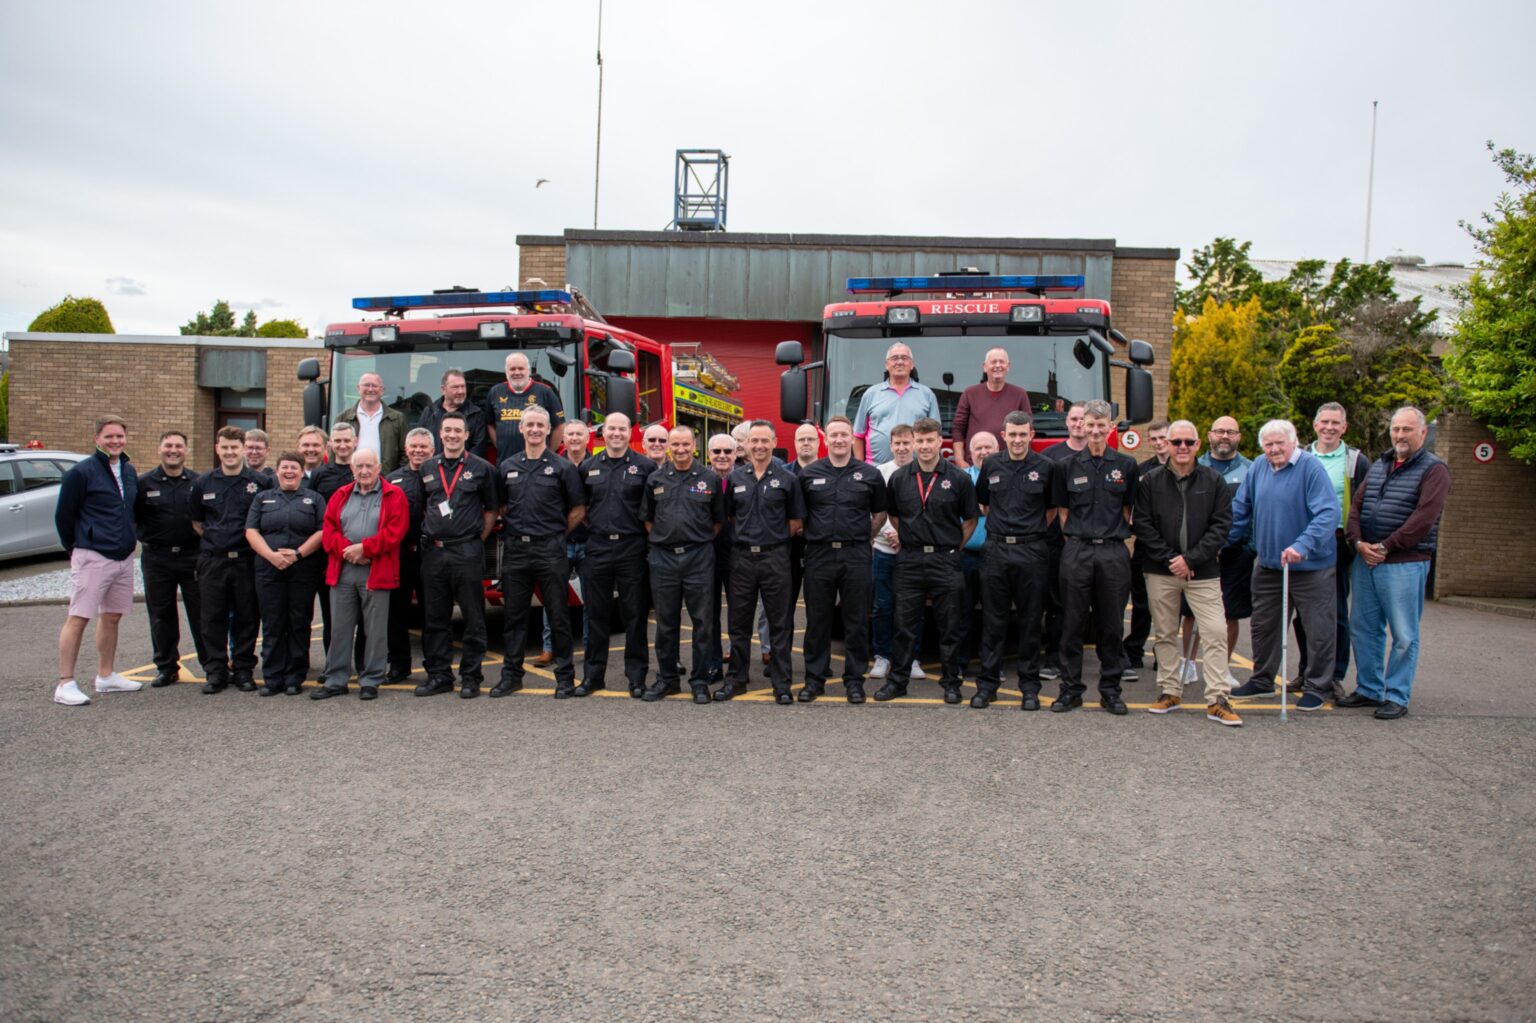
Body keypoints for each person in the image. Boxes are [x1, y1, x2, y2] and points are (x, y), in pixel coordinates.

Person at [1342, 406, 1450, 720]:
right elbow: (1356, 507)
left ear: (1423, 433)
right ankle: (1368, 689)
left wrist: (1386, 547)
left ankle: (1397, 695)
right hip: (1366, 561)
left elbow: (1424, 520)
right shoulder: (1381, 464)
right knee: (1363, 629)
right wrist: (1358, 543)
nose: (1400, 435)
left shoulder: (1434, 470)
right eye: (1396, 429)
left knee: (1403, 635)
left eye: (1407, 429)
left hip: (1404, 563)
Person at [1132, 421, 1242, 726]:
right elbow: (1142, 524)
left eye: (1188, 442)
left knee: (1216, 631)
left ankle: (1218, 698)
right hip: (1161, 570)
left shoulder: (1213, 480)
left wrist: (1191, 559)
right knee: (1165, 633)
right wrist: (1171, 559)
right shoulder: (1150, 481)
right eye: (1176, 442)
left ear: (1197, 445)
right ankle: (1170, 691)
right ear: (1166, 444)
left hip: (1202, 571)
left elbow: (1222, 524)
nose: (1182, 447)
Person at [1227, 419, 1339, 711]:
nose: (1274, 449)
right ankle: (1262, 680)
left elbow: (1328, 513)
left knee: (1318, 629)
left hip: (1310, 567)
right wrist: (1219, 542)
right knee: (1264, 627)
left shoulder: (1310, 468)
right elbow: (1240, 509)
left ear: (1294, 441)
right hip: (1268, 566)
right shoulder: (1259, 468)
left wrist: (1302, 545)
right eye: (1268, 444)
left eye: (1280, 443)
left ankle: (1317, 686)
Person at [876, 417, 978, 704]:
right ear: (914, 441)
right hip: (910, 559)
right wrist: (911, 539)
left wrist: (954, 547)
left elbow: (970, 519)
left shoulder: (958, 478)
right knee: (905, 625)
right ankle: (898, 682)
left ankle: (951, 683)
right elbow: (893, 516)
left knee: (950, 624)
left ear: (939, 442)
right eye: (919, 441)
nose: (924, 446)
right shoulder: (899, 478)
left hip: (946, 559)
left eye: (929, 440)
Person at [1050, 400, 1139, 715]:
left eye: (1102, 425)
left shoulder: (1127, 466)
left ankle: (1110, 691)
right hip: (1077, 550)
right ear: (1082, 427)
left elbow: (1128, 511)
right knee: (1072, 624)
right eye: (1091, 425)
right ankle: (1070, 690)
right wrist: (1079, 539)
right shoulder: (1066, 467)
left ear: (1111, 427)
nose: (1096, 430)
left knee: (1111, 625)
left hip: (1113, 551)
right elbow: (1063, 513)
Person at [491, 407, 585, 699]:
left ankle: (565, 678)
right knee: (514, 617)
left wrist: (555, 534)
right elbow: (503, 507)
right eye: (529, 424)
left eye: (540, 425)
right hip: (517, 550)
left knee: (558, 615)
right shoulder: (506, 466)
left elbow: (578, 509)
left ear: (548, 430)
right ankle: (511, 676)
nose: (534, 429)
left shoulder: (562, 468)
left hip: (550, 549)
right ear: (520, 429)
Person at [51, 415, 141, 706]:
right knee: (79, 617)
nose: (115, 441)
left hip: (123, 556)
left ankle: (106, 675)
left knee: (112, 616)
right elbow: (64, 516)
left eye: (119, 436)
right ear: (96, 439)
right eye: (109, 437)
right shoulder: (81, 473)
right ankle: (65, 683)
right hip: (93, 554)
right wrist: (77, 548)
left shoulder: (128, 470)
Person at [796, 415, 886, 704]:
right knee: (817, 619)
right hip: (819, 554)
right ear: (826, 439)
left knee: (856, 620)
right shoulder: (808, 475)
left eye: (843, 435)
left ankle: (854, 681)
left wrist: (865, 537)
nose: (838, 439)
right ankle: (814, 679)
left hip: (856, 553)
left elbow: (880, 514)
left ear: (851, 438)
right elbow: (799, 515)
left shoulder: (869, 474)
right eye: (833, 434)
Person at [972, 412, 1056, 710]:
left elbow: (1051, 510)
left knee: (1031, 621)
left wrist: (1028, 533)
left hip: (1032, 551)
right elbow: (984, 503)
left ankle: (1029, 687)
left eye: (1023, 434)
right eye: (1012, 434)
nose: (1018, 440)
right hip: (996, 550)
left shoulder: (1046, 467)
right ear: (1003, 435)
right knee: (993, 620)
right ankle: (987, 685)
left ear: (1031, 435)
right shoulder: (992, 464)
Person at [719, 420, 805, 704]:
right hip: (742, 558)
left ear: (773, 441)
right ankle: (737, 680)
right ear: (746, 445)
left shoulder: (787, 479)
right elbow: (731, 517)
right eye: (753, 441)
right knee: (738, 623)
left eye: (764, 441)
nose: (758, 446)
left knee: (780, 623)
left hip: (775, 557)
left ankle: (781, 684)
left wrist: (771, 539)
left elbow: (796, 521)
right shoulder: (736, 478)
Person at [414, 411, 499, 698]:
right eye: (447, 430)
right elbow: (426, 506)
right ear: (440, 434)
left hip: (467, 550)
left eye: (457, 431)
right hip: (434, 553)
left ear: (466, 435)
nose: (451, 435)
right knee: (435, 618)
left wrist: (476, 540)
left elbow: (491, 510)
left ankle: (471, 677)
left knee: (474, 617)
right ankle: (439, 676)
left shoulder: (482, 468)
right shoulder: (426, 468)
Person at [312, 449, 408, 700]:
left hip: (376, 572)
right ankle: (335, 680)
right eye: (359, 467)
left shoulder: (394, 495)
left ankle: (371, 680)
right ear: (352, 470)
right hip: (343, 572)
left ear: (379, 468)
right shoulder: (341, 495)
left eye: (369, 466)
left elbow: (395, 531)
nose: (364, 471)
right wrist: (349, 552)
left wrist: (365, 549)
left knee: (376, 631)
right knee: (340, 628)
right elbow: (329, 528)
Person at [640, 425, 725, 704]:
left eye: (685, 444)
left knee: (702, 623)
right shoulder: (655, 479)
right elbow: (648, 520)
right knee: (666, 622)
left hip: (699, 557)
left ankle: (699, 681)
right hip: (663, 557)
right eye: (674, 445)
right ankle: (667, 679)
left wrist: (694, 542)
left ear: (694, 445)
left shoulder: (709, 478)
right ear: (668, 447)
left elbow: (717, 521)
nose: (679, 450)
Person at [574, 412, 653, 698]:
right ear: (602, 433)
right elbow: (581, 509)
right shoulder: (588, 466)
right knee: (596, 614)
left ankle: (636, 677)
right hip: (597, 547)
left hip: (632, 547)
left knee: (635, 615)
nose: (616, 433)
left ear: (630, 432)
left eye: (622, 428)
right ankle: (593, 676)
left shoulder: (644, 466)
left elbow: (651, 509)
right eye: (611, 429)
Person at [1294, 402, 1369, 695]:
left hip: (1337, 543)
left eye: (1335, 423)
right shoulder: (1300, 457)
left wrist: (1359, 541)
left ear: (1344, 427)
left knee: (1335, 612)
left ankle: (1334, 674)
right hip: (1302, 543)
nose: (1329, 427)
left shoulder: (1356, 462)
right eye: (1324, 421)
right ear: (1314, 425)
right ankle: (1306, 670)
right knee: (1303, 613)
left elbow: (1363, 505)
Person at [190, 425, 271, 694]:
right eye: (224, 447)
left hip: (247, 560)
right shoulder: (203, 483)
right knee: (212, 617)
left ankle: (243, 669)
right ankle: (216, 671)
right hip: (213, 561)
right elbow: (197, 523)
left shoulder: (259, 483)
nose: (229, 452)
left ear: (243, 449)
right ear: (217, 449)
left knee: (247, 617)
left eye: (234, 447)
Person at [245, 451, 326, 696]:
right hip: (269, 570)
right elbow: (251, 531)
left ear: (303, 472)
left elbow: (323, 531)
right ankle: (273, 677)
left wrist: (298, 554)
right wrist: (272, 556)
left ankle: (294, 677)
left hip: (302, 569)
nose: (289, 472)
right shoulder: (262, 498)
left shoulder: (314, 499)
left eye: (294, 468)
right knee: (273, 623)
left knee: (299, 622)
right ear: (277, 471)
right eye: (284, 468)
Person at [135, 429, 208, 688]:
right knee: (161, 615)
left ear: (186, 450)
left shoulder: (198, 481)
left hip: (193, 556)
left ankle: (211, 666)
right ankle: (166, 667)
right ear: (159, 449)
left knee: (201, 613)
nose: (173, 450)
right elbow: (133, 518)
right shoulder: (144, 484)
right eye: (168, 445)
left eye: (178, 446)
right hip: (157, 558)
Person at [1198, 416, 1255, 689]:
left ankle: (1223, 667)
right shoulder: (1196, 466)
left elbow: (1253, 513)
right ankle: (1189, 664)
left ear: (1239, 437)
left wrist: (1228, 543)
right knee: (1192, 613)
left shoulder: (1251, 470)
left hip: (1235, 552)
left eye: (1230, 432)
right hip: (1199, 553)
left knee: (1229, 613)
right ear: (1209, 435)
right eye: (1220, 431)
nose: (1224, 436)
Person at [1038, 402, 1090, 681]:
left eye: (1084, 419)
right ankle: (1053, 658)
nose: (1079, 424)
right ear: (1067, 423)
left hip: (1089, 541)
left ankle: (1078, 658)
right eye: (1074, 419)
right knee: (1056, 602)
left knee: (1081, 602)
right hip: (1056, 542)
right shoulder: (1050, 456)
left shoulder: (1103, 456)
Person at [870, 423, 925, 683]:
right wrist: (889, 533)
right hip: (884, 549)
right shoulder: (880, 472)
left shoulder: (923, 473)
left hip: (913, 552)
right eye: (897, 444)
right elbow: (877, 509)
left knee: (912, 608)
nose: (902, 448)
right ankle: (882, 656)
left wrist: (905, 537)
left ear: (913, 444)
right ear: (890, 446)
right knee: (882, 606)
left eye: (907, 443)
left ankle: (911, 658)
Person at [537, 420, 591, 667]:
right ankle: (549, 648)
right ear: (563, 439)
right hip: (561, 541)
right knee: (553, 598)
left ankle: (591, 648)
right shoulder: (552, 465)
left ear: (588, 438)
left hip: (590, 542)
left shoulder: (596, 465)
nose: (575, 438)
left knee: (592, 599)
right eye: (570, 434)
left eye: (580, 433)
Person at [384, 428, 432, 682]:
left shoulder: (440, 474)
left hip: (431, 553)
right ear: (406, 449)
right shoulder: (391, 479)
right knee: (396, 613)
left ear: (432, 450)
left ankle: (434, 666)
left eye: (423, 447)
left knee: (432, 613)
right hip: (400, 554)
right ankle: (398, 666)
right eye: (413, 446)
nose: (418, 451)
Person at [1122, 419, 1170, 678]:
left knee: (1168, 607)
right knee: (1141, 603)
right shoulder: (1141, 470)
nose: (1159, 443)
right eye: (1154, 439)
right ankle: (1134, 651)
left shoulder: (1184, 469)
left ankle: (1165, 655)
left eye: (1164, 437)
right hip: (1144, 546)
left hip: (1173, 549)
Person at [311, 423, 360, 676]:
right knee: (332, 617)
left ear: (356, 441)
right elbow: (315, 516)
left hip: (362, 554)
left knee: (363, 617)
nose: (342, 446)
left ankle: (363, 666)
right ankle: (333, 666)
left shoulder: (363, 471)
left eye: (347, 441)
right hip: (329, 552)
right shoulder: (320, 475)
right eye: (337, 441)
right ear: (330, 444)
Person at [952, 430, 998, 681]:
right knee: (962, 613)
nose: (983, 453)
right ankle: (960, 663)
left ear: (996, 450)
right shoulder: (960, 480)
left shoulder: (1003, 475)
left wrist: (985, 509)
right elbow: (955, 513)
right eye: (978, 448)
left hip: (996, 554)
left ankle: (993, 667)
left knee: (994, 614)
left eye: (988, 448)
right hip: (967, 555)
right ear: (970, 454)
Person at [852, 342, 941, 463]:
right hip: (875, 470)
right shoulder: (870, 394)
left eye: (904, 358)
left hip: (916, 470)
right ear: (886, 365)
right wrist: (860, 468)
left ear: (912, 365)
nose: (899, 362)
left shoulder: (927, 394)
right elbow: (858, 436)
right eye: (894, 358)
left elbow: (934, 434)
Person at [952, 348, 1032, 468]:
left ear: (1008, 366)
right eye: (993, 362)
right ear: (985, 367)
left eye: (1001, 362)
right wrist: (960, 461)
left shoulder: (1020, 394)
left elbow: (1028, 428)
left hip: (1010, 467)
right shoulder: (970, 393)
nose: (998, 365)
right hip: (975, 466)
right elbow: (958, 429)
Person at [485, 352, 565, 460]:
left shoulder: (545, 392)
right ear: (506, 372)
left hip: (539, 463)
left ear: (528, 370)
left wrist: (549, 452)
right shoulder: (495, 392)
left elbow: (560, 426)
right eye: (512, 369)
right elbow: (490, 424)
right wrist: (500, 446)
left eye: (521, 368)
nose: (517, 372)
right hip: (505, 461)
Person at [705, 434, 739, 683]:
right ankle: (714, 664)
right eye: (716, 451)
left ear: (736, 454)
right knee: (709, 615)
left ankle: (739, 667)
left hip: (739, 557)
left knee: (739, 616)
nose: (722, 456)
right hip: (706, 557)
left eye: (728, 451)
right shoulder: (700, 480)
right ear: (708, 454)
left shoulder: (746, 478)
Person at [338, 371, 406, 473]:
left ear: (382, 390)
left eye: (374, 386)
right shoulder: (344, 418)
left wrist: (395, 477)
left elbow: (405, 453)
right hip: (351, 480)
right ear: (358, 388)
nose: (370, 389)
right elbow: (334, 452)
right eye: (366, 385)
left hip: (386, 482)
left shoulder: (397, 419)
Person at [418, 368, 488, 459]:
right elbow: (420, 443)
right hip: (432, 470)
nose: (461, 391)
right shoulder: (429, 412)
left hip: (465, 471)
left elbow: (477, 452)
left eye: (463, 386)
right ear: (443, 389)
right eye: (455, 387)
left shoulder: (476, 415)